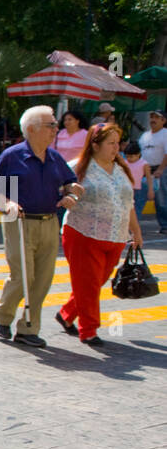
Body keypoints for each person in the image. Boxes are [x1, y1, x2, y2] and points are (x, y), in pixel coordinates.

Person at [0, 105, 83, 348]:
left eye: (55, 125)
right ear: (31, 129)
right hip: (18, 221)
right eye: (50, 125)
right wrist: (8, 204)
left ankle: (28, 329)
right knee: (22, 276)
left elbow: (70, 183)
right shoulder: (12, 156)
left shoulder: (54, 157)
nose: (56, 130)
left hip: (49, 222)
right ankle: (1, 315)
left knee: (42, 279)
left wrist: (72, 194)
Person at [55, 123, 144, 347]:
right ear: (95, 145)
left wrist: (137, 231)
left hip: (116, 237)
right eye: (111, 144)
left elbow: (128, 203)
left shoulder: (121, 169)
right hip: (83, 234)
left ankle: (66, 314)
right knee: (88, 285)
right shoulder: (77, 168)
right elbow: (58, 191)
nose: (116, 148)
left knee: (95, 283)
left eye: (118, 143)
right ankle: (89, 330)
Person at [139, 109, 167, 232]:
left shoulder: (165, 134)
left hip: (161, 170)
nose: (153, 120)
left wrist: (161, 169)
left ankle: (165, 225)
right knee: (139, 197)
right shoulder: (145, 136)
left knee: (161, 199)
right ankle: (133, 224)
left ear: (163, 120)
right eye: (152, 117)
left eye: (156, 117)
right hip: (146, 170)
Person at [123, 140, 149, 221]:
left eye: (131, 156)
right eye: (127, 156)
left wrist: (150, 189)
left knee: (137, 209)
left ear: (138, 155)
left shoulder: (144, 164)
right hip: (127, 189)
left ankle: (135, 226)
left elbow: (149, 178)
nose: (129, 159)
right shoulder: (124, 163)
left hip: (139, 189)